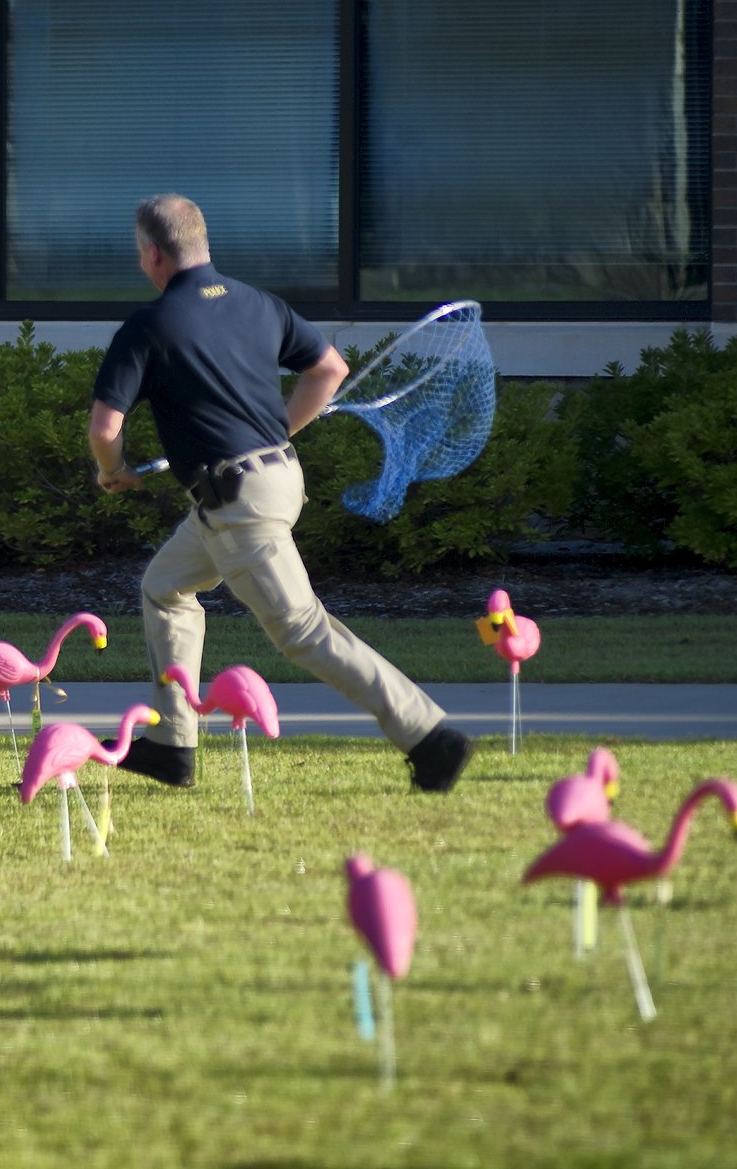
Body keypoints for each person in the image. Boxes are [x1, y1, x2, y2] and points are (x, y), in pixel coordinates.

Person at [86, 194, 473, 792]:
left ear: (153, 253)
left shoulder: (148, 326)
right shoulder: (259, 305)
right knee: (165, 588)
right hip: (270, 480)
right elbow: (329, 370)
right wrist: (273, 434)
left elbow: (105, 430)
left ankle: (430, 735)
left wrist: (112, 471)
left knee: (303, 630)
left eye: (141, 256)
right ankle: (172, 744)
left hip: (238, 501)